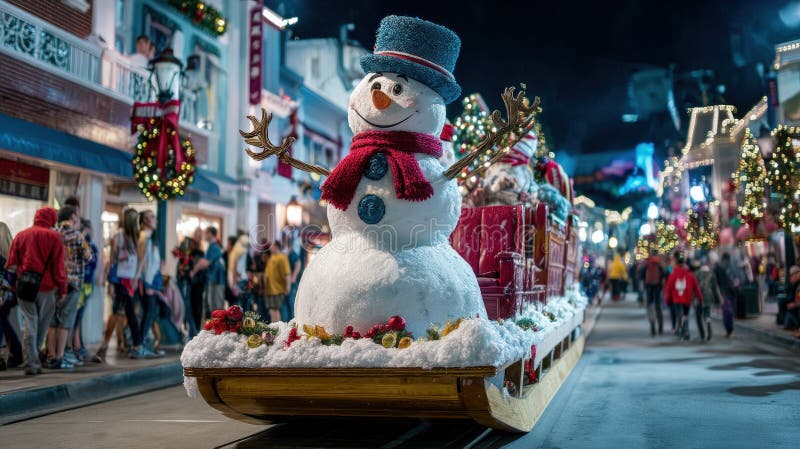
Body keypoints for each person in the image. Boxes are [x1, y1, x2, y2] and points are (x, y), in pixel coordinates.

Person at [5, 207, 66, 375]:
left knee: (29, 322)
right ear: (52, 219)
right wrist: (62, 289)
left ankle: (31, 360)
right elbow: (59, 267)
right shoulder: (54, 237)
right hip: (47, 289)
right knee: (42, 324)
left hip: (24, 286)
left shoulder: (21, 235)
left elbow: (11, 262)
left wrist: (12, 285)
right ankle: (33, 357)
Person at [46, 206, 93, 369]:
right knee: (65, 321)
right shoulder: (77, 235)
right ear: (73, 216)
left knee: (52, 320)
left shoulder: (53, 233)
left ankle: (50, 355)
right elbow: (88, 257)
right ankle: (60, 356)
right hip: (72, 283)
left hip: (53, 282)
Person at [93, 208, 140, 363]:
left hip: (130, 281)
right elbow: (112, 260)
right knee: (117, 312)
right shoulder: (119, 236)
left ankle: (132, 344)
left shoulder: (136, 238)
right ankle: (105, 346)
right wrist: (111, 283)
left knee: (129, 314)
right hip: (120, 280)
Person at [65, 219, 98, 365]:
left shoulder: (87, 244)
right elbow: (89, 259)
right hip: (80, 283)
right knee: (75, 318)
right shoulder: (81, 242)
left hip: (85, 284)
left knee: (77, 318)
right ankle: (73, 348)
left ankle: (77, 347)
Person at [133, 210, 163, 358]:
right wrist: (145, 283)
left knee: (150, 314)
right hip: (147, 282)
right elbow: (141, 262)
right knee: (148, 314)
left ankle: (142, 344)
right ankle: (139, 345)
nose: (155, 220)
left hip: (151, 281)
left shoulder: (149, 238)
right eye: (152, 217)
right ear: (144, 221)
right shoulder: (144, 237)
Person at [664, 251, 703, 341]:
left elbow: (668, 288)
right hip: (687, 299)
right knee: (685, 315)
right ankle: (686, 331)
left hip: (677, 299)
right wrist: (700, 298)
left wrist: (667, 300)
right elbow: (696, 287)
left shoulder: (673, 275)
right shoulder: (689, 274)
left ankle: (682, 331)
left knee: (679, 315)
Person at [0, 222, 23, 370]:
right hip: (10, 294)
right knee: (4, 322)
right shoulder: (12, 251)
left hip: (3, 294)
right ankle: (17, 354)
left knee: (2, 323)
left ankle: (16, 354)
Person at [191, 226, 225, 314]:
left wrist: (193, 271)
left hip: (217, 281)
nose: (204, 235)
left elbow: (205, 262)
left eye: (205, 233)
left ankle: (218, 327)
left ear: (210, 233)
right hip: (214, 280)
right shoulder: (211, 246)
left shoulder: (214, 247)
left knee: (216, 307)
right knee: (213, 307)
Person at [693, 257, 720, 342]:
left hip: (699, 297)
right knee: (707, 313)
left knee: (698, 316)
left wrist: (693, 298)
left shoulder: (696, 273)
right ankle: (708, 322)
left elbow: (694, 287)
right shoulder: (712, 274)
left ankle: (702, 335)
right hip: (709, 296)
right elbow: (715, 287)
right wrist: (719, 298)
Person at [263, 241, 290, 323]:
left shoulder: (282, 257)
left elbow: (287, 273)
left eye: (272, 246)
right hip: (269, 288)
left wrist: (288, 286)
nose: (270, 248)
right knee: (271, 310)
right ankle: (273, 327)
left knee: (276, 309)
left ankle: (278, 328)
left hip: (277, 288)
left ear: (276, 247)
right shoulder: (272, 257)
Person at [280, 239, 306, 322]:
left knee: (291, 303)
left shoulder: (293, 254)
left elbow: (298, 263)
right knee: (285, 304)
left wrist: (294, 276)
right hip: (285, 283)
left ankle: (292, 322)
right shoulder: (285, 254)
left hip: (291, 283)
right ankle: (286, 322)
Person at [641, 250, 665, 336]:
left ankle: (652, 326)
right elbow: (664, 274)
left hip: (649, 288)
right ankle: (661, 328)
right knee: (658, 308)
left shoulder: (647, 264)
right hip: (658, 288)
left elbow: (641, 275)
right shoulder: (659, 264)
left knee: (650, 307)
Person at [227, 234, 250, 310]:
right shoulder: (241, 253)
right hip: (241, 280)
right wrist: (234, 285)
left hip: (238, 281)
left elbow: (235, 270)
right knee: (242, 306)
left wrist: (234, 285)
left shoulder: (236, 252)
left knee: (238, 307)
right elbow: (236, 270)